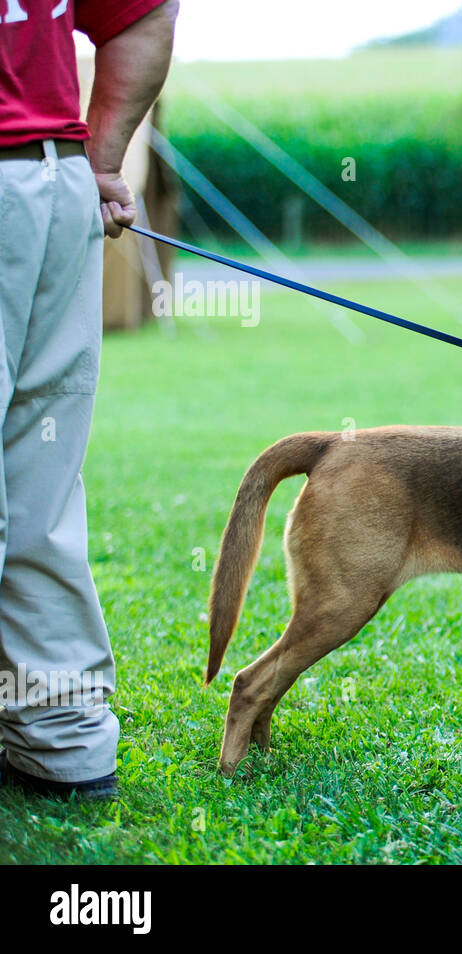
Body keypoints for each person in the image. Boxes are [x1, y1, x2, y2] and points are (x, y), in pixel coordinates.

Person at [0, 0, 178, 799]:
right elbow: (146, 12)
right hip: (51, 181)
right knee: (38, 484)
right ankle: (62, 740)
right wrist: (94, 164)